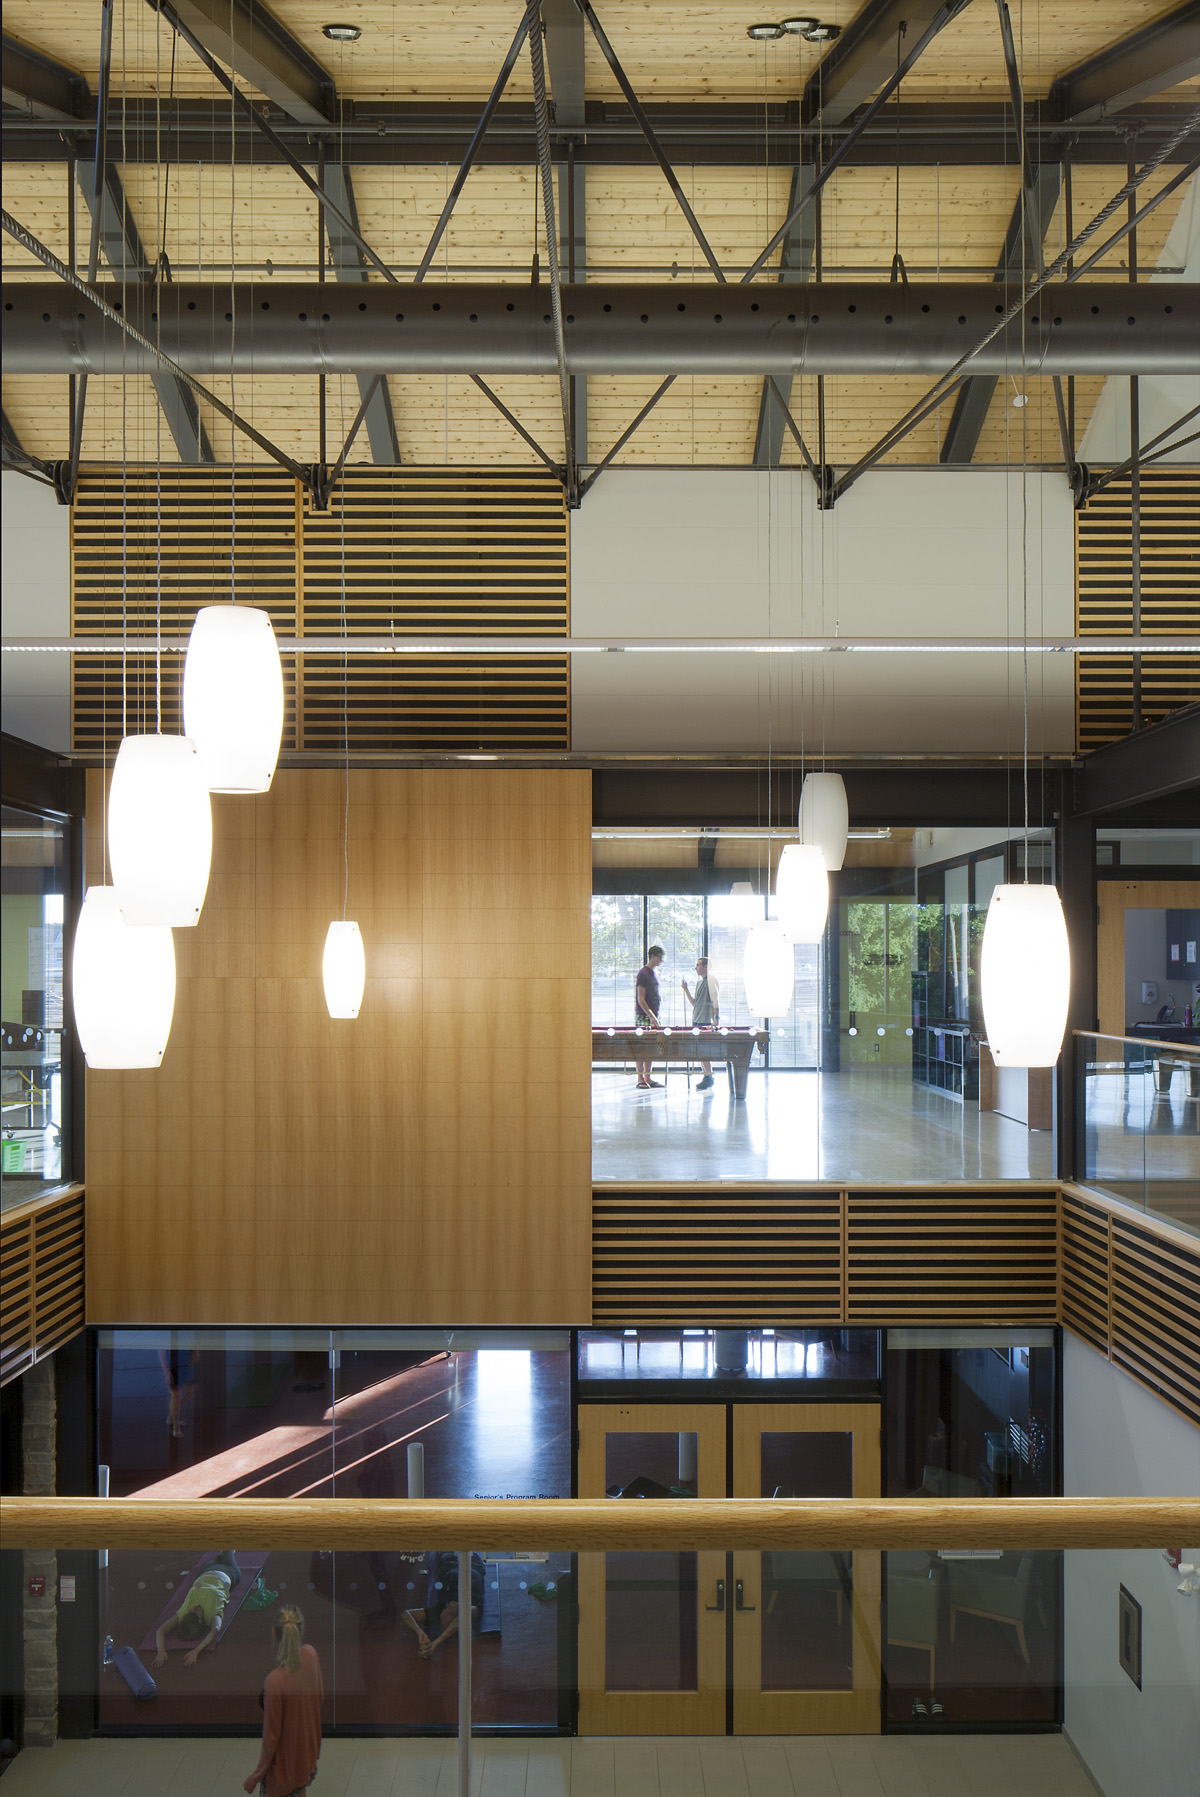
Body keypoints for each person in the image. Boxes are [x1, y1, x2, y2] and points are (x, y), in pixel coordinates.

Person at [243, 1605, 323, 1797]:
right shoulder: (311, 1655)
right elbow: (318, 1699)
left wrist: (257, 1775)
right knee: (300, 1788)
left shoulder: (275, 1681)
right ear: (300, 1630)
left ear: (274, 1633)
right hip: (306, 1757)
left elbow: (271, 1736)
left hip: (283, 1769)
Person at [154, 1549, 241, 1667]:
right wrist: (197, 1651)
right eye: (196, 1611)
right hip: (229, 1572)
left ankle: (220, 1555)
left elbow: (160, 1631)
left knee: (218, 1557)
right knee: (228, 1550)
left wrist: (161, 1651)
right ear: (201, 1619)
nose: (193, 1607)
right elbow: (215, 1629)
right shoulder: (212, 1614)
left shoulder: (183, 1613)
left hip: (204, 1572)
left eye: (190, 1610)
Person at [402, 1551, 485, 1659]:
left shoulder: (438, 1609)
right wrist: (436, 1642)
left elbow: (406, 1614)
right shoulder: (473, 1608)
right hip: (471, 1561)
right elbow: (461, 1620)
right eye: (447, 1610)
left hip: (447, 1561)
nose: (446, 1606)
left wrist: (420, 1633)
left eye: (445, 1610)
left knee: (444, 1551)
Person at [682, 954, 720, 1089]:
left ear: (705, 966)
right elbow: (695, 1003)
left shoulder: (711, 979)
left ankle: (708, 1077)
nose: (695, 968)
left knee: (704, 1051)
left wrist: (716, 1018)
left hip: (705, 1021)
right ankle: (706, 1076)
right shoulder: (699, 983)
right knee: (699, 1051)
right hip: (696, 1020)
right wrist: (686, 990)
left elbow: (715, 998)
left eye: (698, 965)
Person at [633, 945, 665, 1090]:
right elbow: (641, 998)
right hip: (643, 1016)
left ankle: (647, 1077)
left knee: (651, 1047)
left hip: (654, 1015)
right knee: (641, 1047)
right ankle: (640, 1078)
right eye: (659, 957)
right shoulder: (643, 973)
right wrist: (651, 1016)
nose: (660, 961)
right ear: (652, 956)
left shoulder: (654, 973)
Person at [158, 1346, 199, 1438]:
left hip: (185, 1363)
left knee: (189, 1392)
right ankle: (176, 1427)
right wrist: (167, 1372)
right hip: (174, 1364)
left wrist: (195, 1351)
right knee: (176, 1395)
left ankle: (172, 1416)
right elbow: (162, 1351)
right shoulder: (172, 1336)